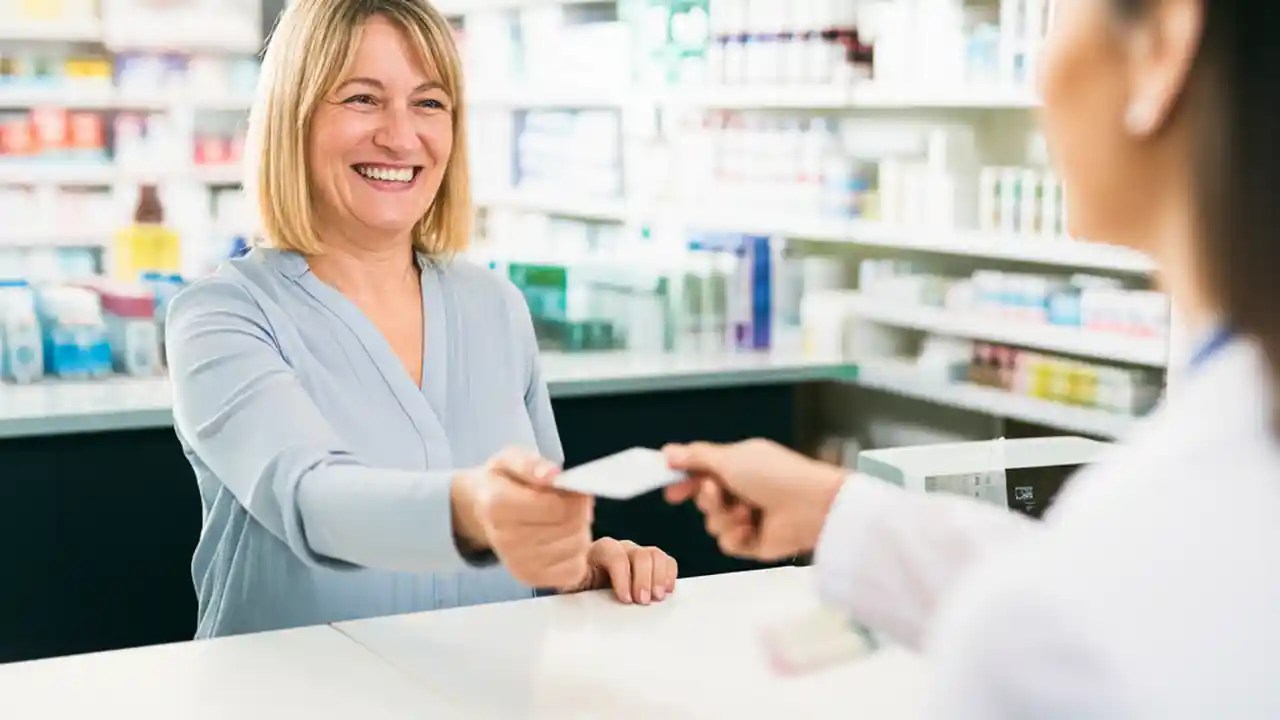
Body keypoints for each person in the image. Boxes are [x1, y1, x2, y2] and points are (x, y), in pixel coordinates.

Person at [665, 0, 1280, 716]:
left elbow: (1073, 619)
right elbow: (1157, 595)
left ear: (1161, 49)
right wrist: (838, 512)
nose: (1039, 83)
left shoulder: (1055, 634)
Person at [166, 0, 676, 640]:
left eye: (429, 103)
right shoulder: (223, 317)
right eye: (362, 98)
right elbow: (311, 499)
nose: (402, 136)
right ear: (292, 119)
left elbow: (535, 521)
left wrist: (576, 563)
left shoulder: (494, 307)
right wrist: (474, 510)